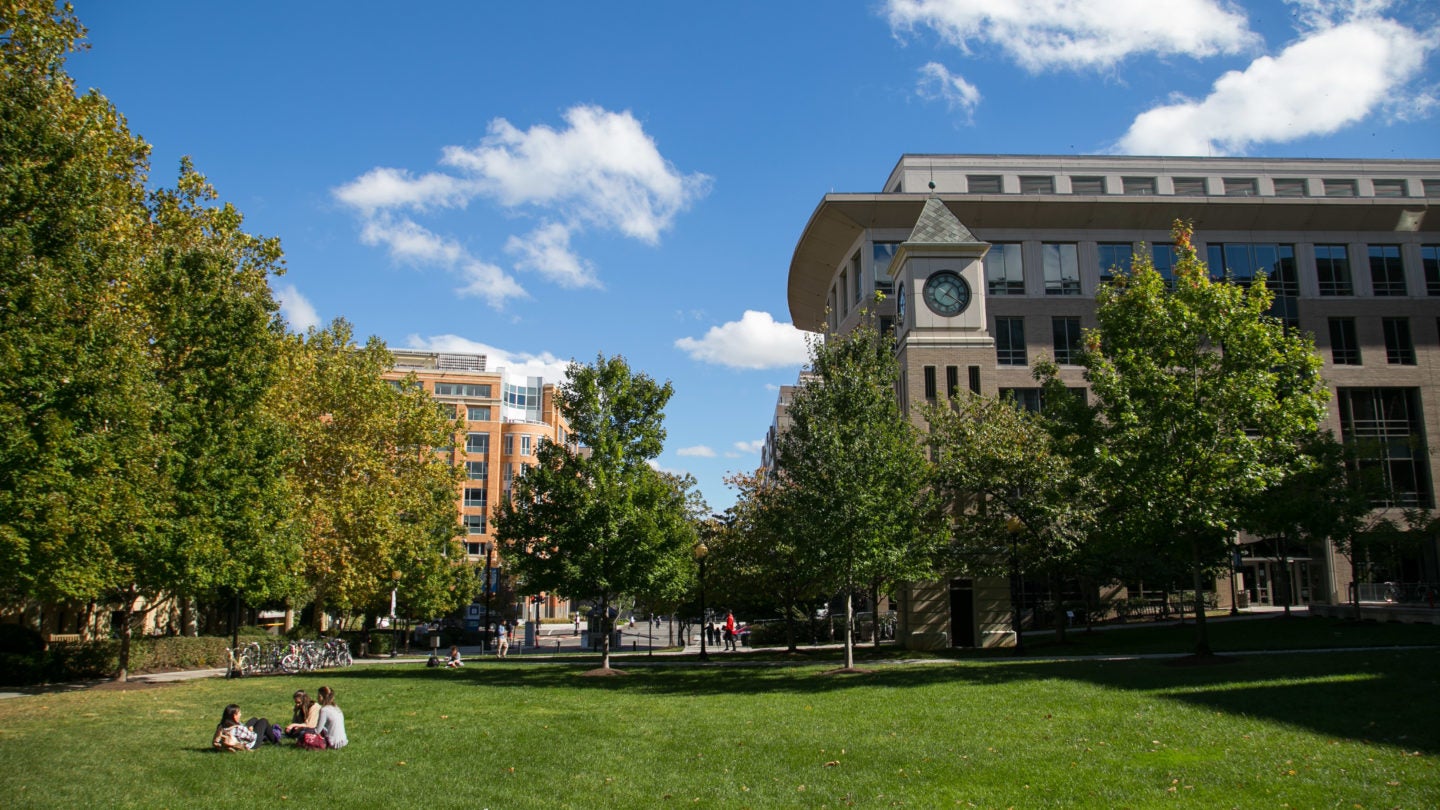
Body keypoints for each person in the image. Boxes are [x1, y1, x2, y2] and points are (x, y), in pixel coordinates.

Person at [312, 685, 348, 750]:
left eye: (318, 696)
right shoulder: (336, 707)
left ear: (322, 697)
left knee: (304, 735)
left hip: (332, 742)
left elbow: (317, 731)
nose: (317, 698)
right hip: (343, 740)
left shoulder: (324, 710)